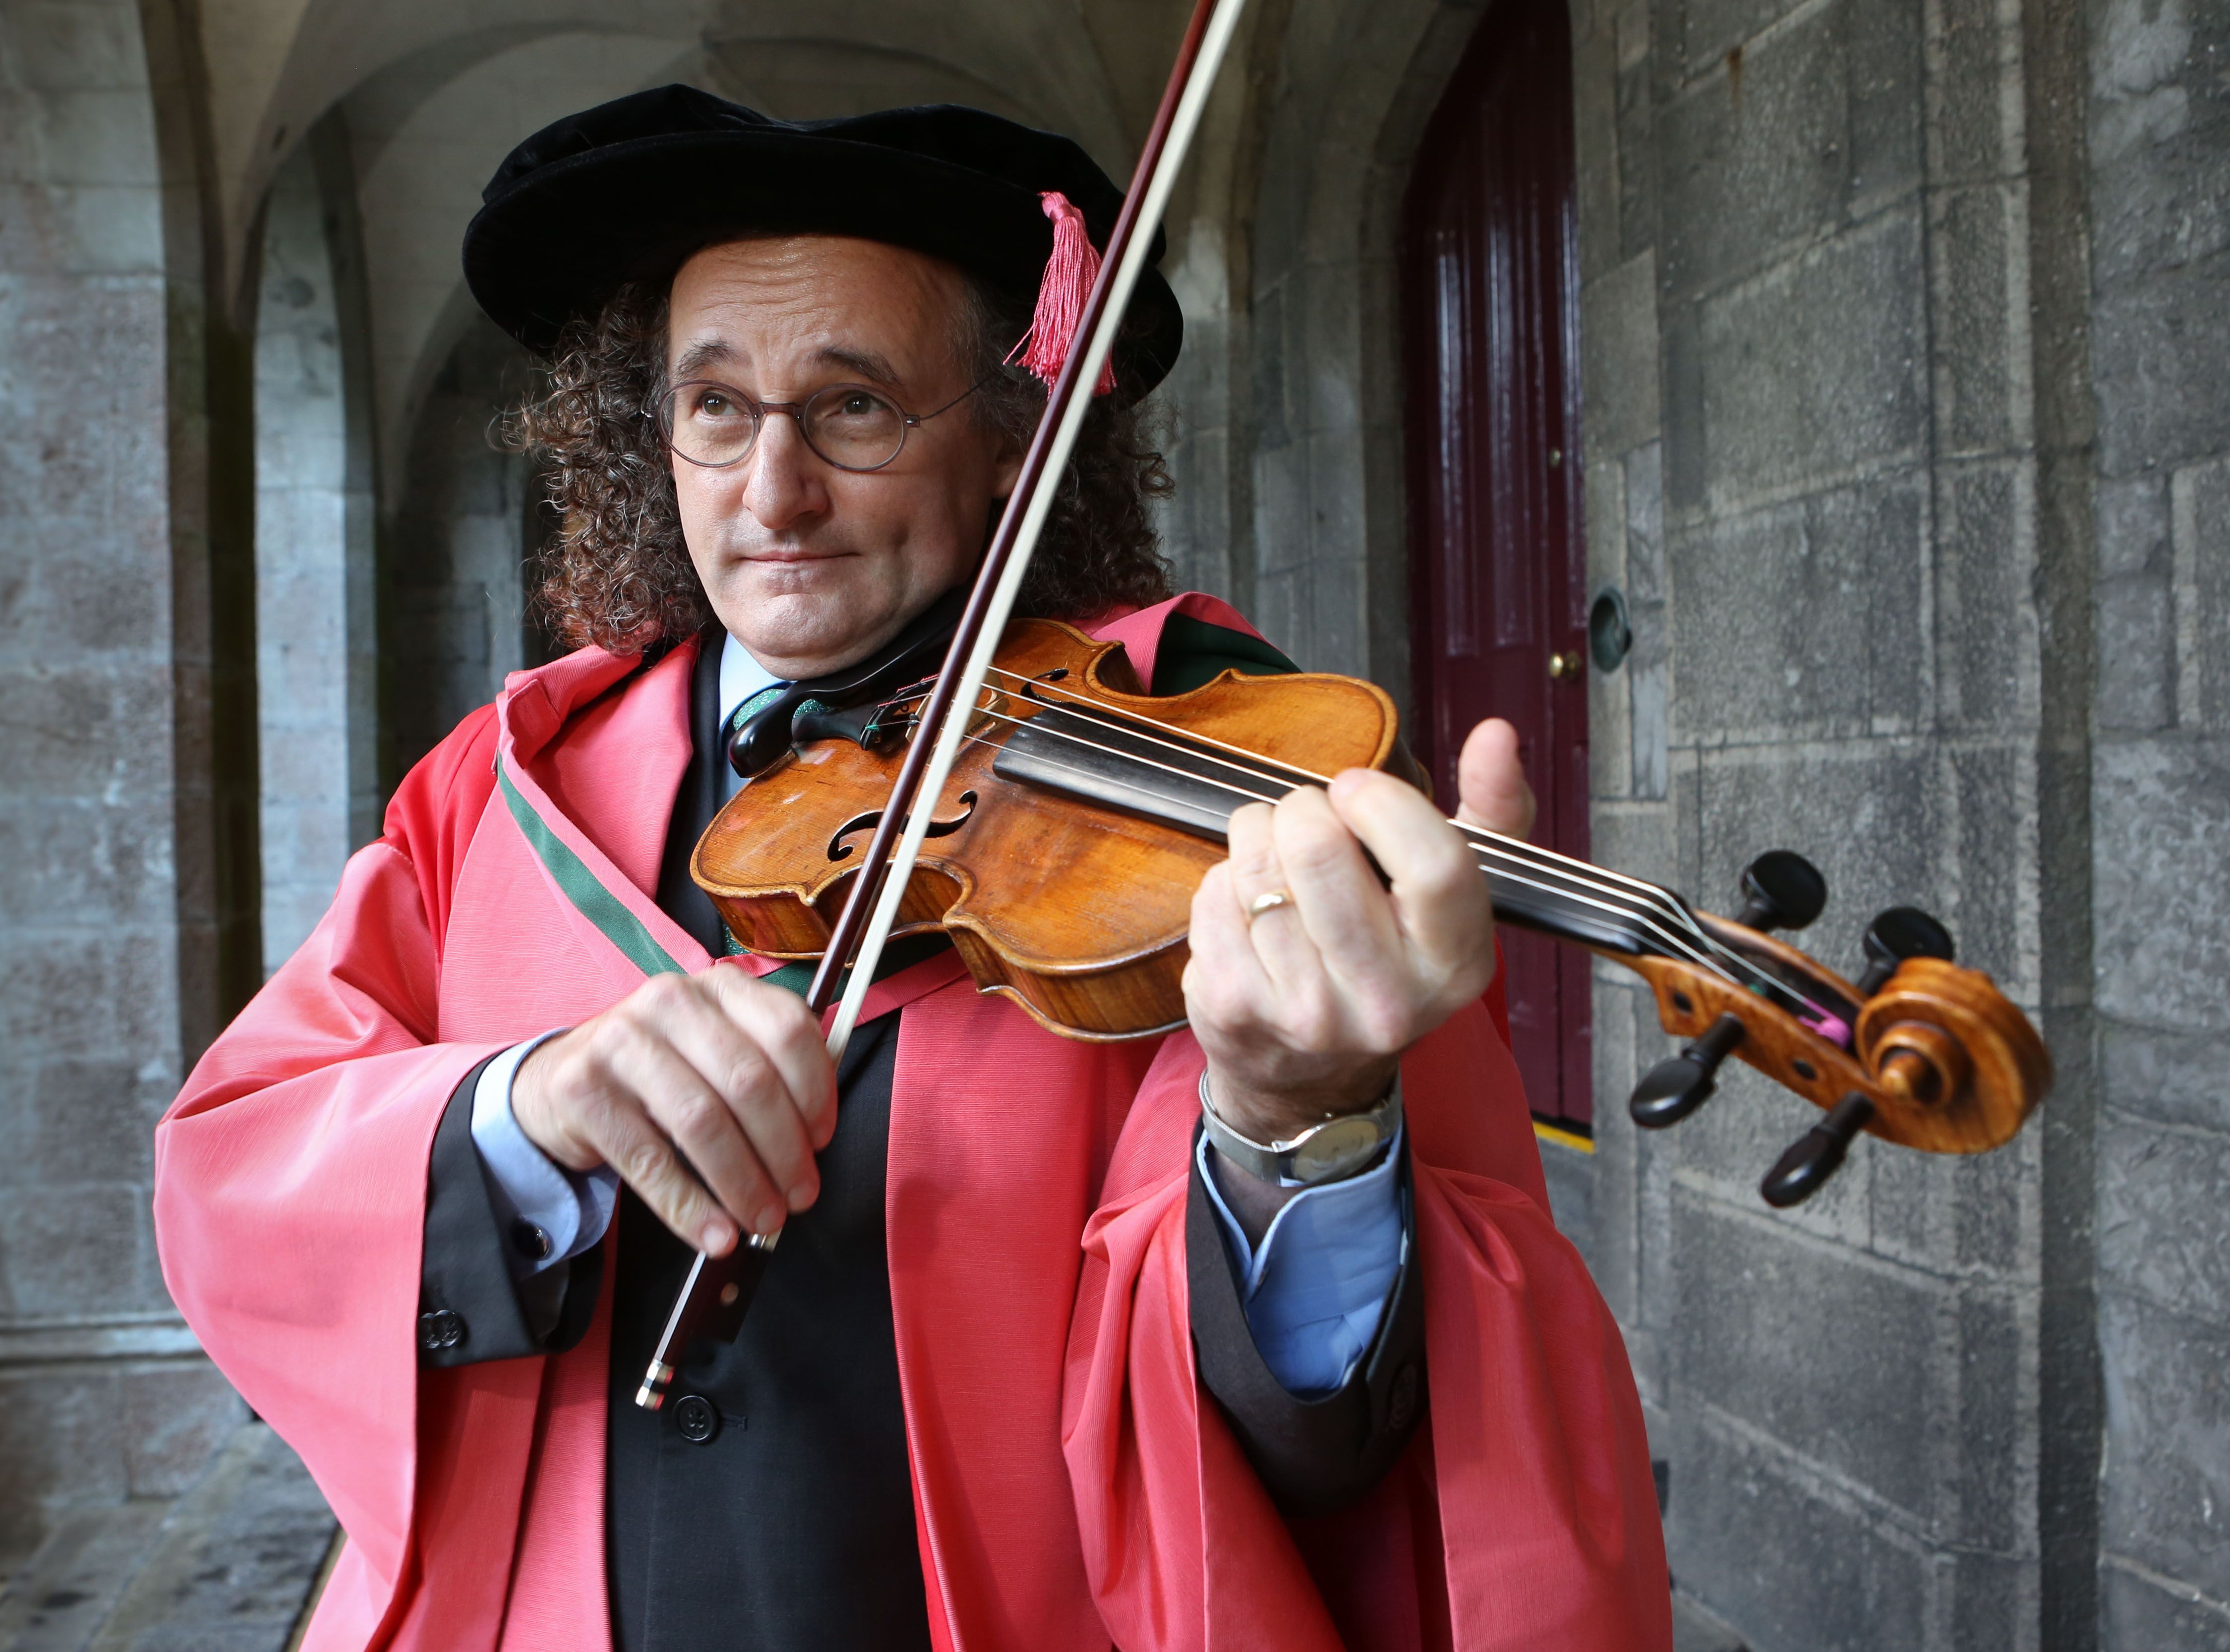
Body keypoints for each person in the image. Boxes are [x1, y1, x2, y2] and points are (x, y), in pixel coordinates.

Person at [155, 88, 1669, 1651]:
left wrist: (1299, 1125)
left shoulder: (1198, 768)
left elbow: (1335, 1437)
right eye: (717, 407)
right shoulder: (504, 785)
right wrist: (519, 1116)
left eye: (857, 405)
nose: (772, 492)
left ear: (1015, 441)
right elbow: (236, 1163)